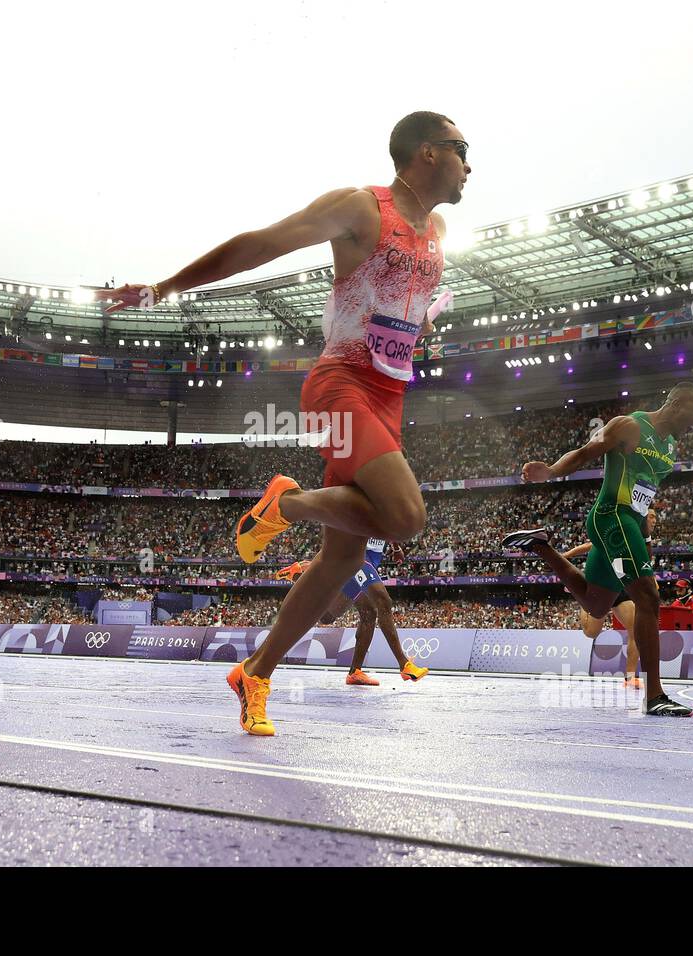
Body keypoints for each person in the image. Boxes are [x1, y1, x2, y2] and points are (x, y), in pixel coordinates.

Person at [101, 112, 468, 735]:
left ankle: (256, 673)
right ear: (427, 153)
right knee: (406, 519)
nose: (470, 164)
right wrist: (163, 288)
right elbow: (263, 243)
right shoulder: (360, 208)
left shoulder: (435, 228)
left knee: (341, 562)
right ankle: (287, 503)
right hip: (340, 388)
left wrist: (421, 322)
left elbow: (392, 311)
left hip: (388, 397)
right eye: (462, 149)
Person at [502, 383, 693, 717]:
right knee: (647, 598)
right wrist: (552, 471)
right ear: (676, 404)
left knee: (594, 602)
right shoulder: (630, 426)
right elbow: (586, 452)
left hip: (631, 524)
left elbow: (645, 492)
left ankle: (542, 547)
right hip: (611, 517)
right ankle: (655, 695)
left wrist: (644, 536)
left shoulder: (671, 445)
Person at [279, 540, 426, 685]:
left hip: (372, 557)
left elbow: (389, 523)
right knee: (383, 601)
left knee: (336, 616)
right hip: (357, 554)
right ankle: (404, 665)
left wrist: (395, 548)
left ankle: (355, 672)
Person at [558, 509, 657, 689]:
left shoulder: (643, 540)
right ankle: (580, 593)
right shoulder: (621, 530)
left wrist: (652, 580)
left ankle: (629, 678)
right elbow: (590, 546)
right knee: (591, 633)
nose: (654, 520)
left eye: (656, 517)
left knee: (636, 628)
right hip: (601, 585)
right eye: (651, 516)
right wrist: (565, 556)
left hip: (620, 588)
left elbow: (644, 564)